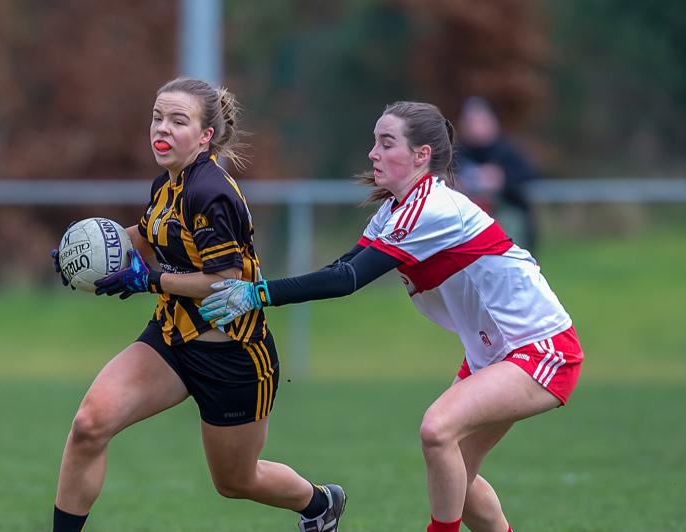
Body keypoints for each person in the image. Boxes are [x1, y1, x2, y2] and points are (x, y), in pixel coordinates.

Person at [200, 101, 583, 532]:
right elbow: (339, 269)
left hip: (541, 348)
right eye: (374, 142)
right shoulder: (395, 212)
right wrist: (258, 288)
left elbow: (348, 279)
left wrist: (258, 294)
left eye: (386, 143)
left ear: (421, 155)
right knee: (461, 477)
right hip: (491, 355)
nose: (373, 153)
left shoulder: (434, 208)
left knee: (438, 431)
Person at [49, 77, 346, 532]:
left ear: (206, 135)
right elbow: (149, 234)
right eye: (156, 117)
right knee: (90, 425)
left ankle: (319, 504)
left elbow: (224, 282)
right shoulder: (167, 184)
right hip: (171, 340)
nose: (161, 129)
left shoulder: (212, 192)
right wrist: (84, 253)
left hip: (233, 355)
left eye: (177, 120)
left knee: (235, 480)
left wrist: (150, 281)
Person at [454, 96, 539, 254]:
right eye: (471, 121)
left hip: (505, 217)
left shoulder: (508, 150)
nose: (476, 126)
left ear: (493, 121)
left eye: (481, 120)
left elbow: (529, 176)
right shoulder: (455, 154)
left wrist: (500, 179)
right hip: (466, 222)